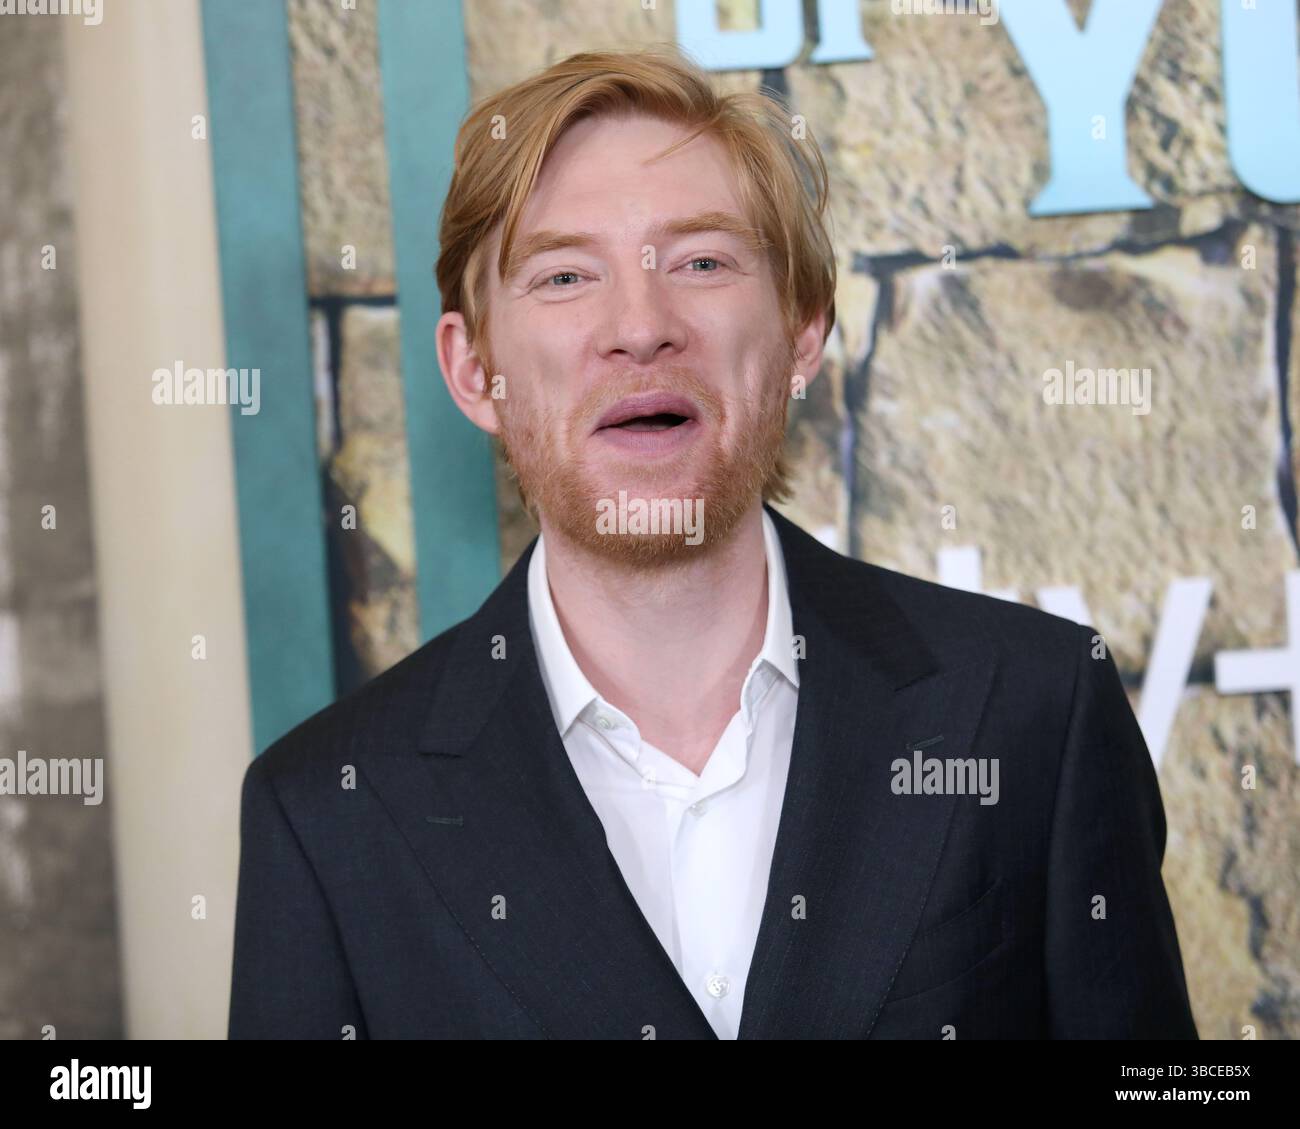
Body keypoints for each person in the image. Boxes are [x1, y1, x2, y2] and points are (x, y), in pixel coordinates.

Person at [229, 45, 1197, 1040]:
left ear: (801, 331)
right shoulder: (327, 816)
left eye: (701, 262)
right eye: (564, 275)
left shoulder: (1031, 709)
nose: (640, 327)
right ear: (474, 371)